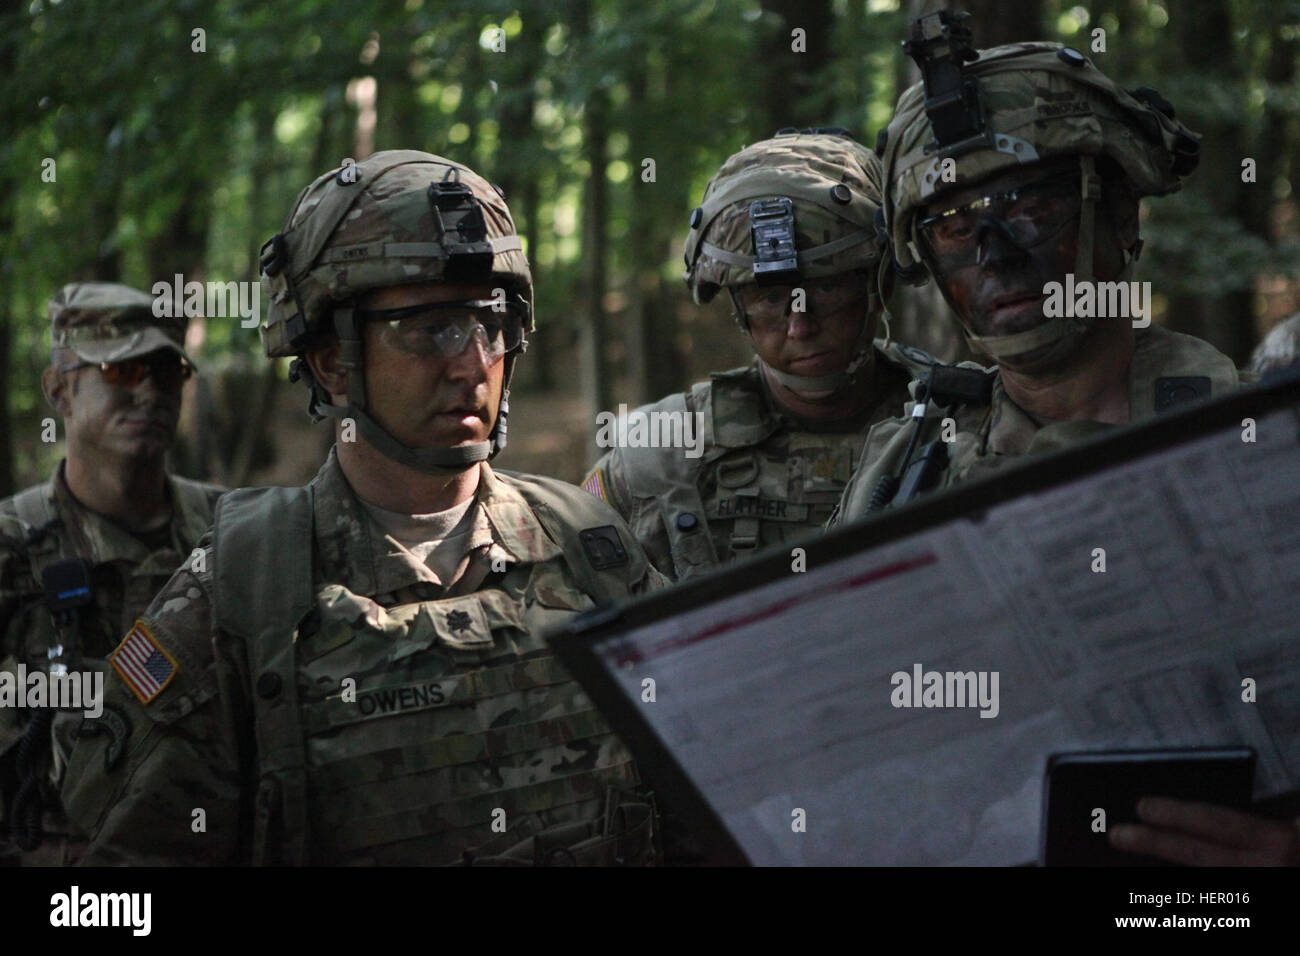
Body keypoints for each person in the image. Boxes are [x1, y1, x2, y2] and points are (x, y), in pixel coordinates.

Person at [63, 150, 665, 866]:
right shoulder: (245, 590)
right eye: (431, 326)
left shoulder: (588, 543)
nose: (473, 364)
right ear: (332, 362)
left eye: (489, 322)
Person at [834, 24, 1245, 520]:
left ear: (1118, 213)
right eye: (955, 230)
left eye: (1031, 209)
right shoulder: (906, 468)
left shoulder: (1251, 428)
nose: (996, 258)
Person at [584, 129, 931, 580]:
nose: (800, 326)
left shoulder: (960, 423)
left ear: (878, 285)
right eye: (770, 300)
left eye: (825, 288)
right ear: (737, 309)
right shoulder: (656, 459)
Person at [0, 281, 222, 865]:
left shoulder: (234, 533)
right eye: (122, 372)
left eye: (166, 371)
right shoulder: (10, 548)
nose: (149, 391)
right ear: (60, 391)